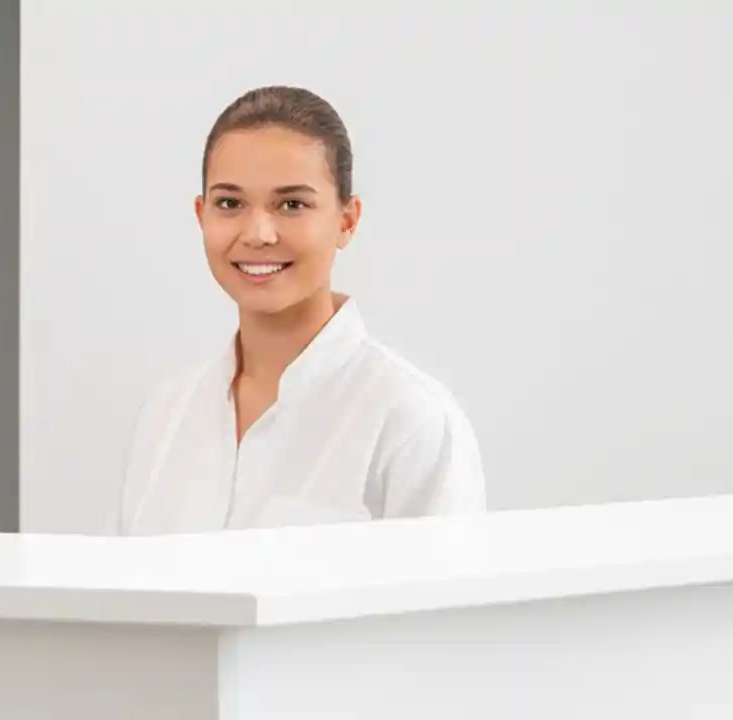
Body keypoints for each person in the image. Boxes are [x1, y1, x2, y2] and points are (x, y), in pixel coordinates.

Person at [116, 86, 486, 535]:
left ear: (346, 221)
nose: (258, 233)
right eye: (230, 203)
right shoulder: (166, 414)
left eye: (292, 204)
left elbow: (442, 602)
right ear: (201, 215)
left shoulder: (410, 419)